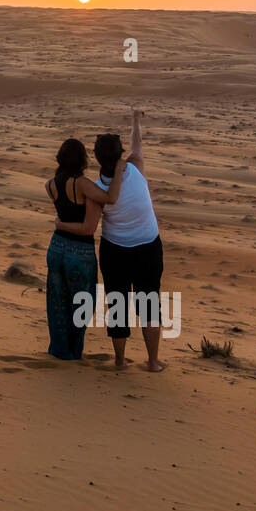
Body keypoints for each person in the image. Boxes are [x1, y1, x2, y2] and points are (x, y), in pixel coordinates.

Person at [55, 110, 164, 372]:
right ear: (120, 154)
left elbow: (89, 226)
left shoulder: (96, 191)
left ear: (96, 157)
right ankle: (152, 362)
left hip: (115, 252)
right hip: (148, 248)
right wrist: (136, 122)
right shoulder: (135, 167)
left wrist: (61, 223)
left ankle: (119, 361)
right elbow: (137, 145)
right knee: (149, 302)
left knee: (117, 302)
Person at [44, 139, 126, 359]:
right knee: (82, 305)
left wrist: (61, 225)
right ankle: (72, 353)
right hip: (79, 252)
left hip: (56, 247)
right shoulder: (81, 183)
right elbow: (111, 198)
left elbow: (65, 216)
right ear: (82, 159)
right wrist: (118, 170)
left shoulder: (50, 184)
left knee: (57, 304)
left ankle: (60, 350)